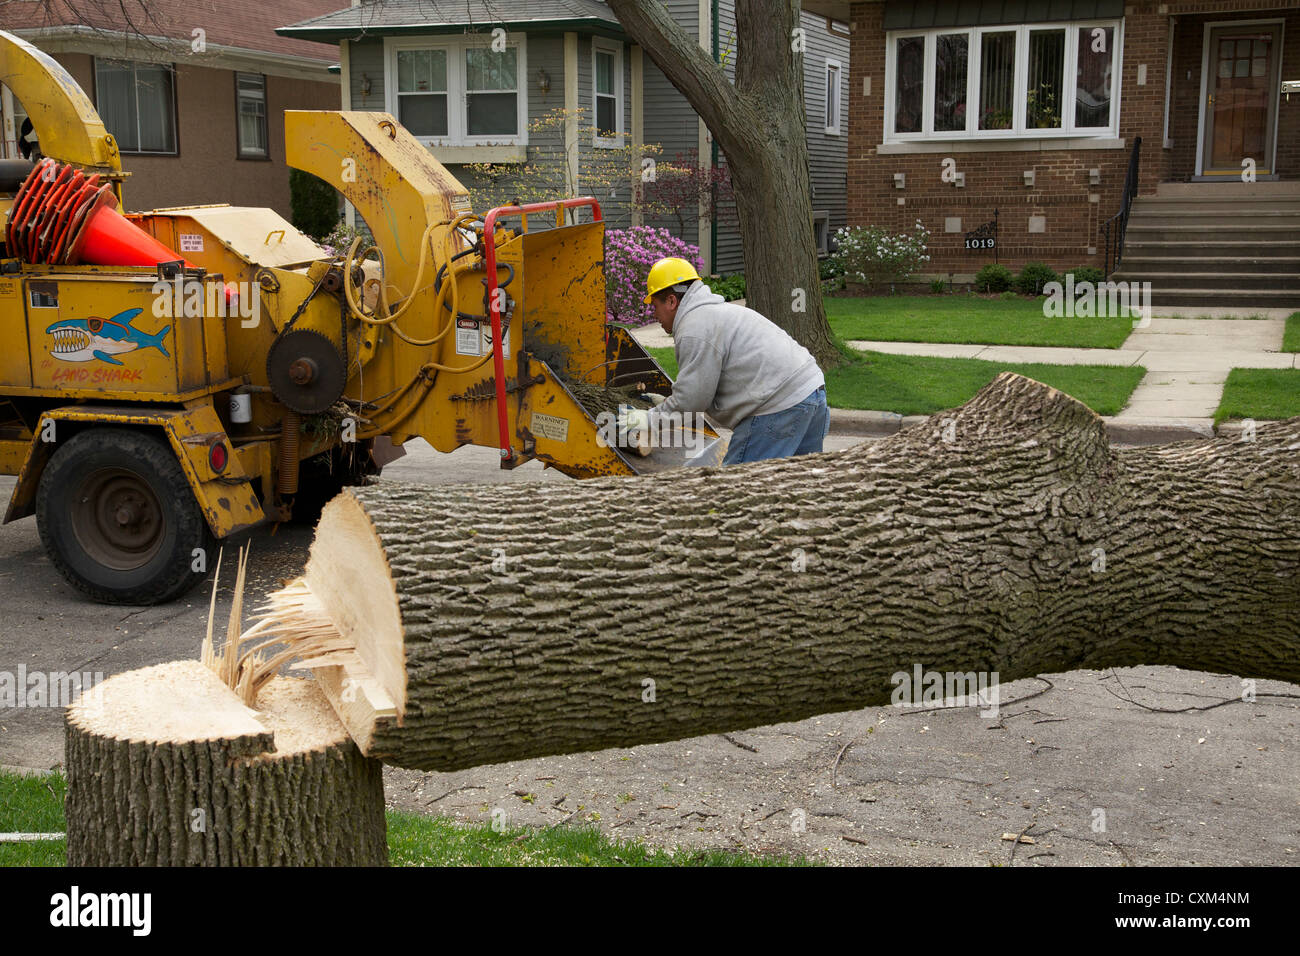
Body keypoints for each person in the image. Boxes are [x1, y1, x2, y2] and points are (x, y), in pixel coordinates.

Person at [633, 257, 828, 466]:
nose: (655, 315)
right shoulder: (716, 314)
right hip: (812, 392)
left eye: (655, 306)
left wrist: (649, 419)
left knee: (734, 492)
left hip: (777, 407)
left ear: (671, 301)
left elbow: (692, 401)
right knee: (794, 487)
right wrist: (667, 405)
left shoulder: (695, 328)